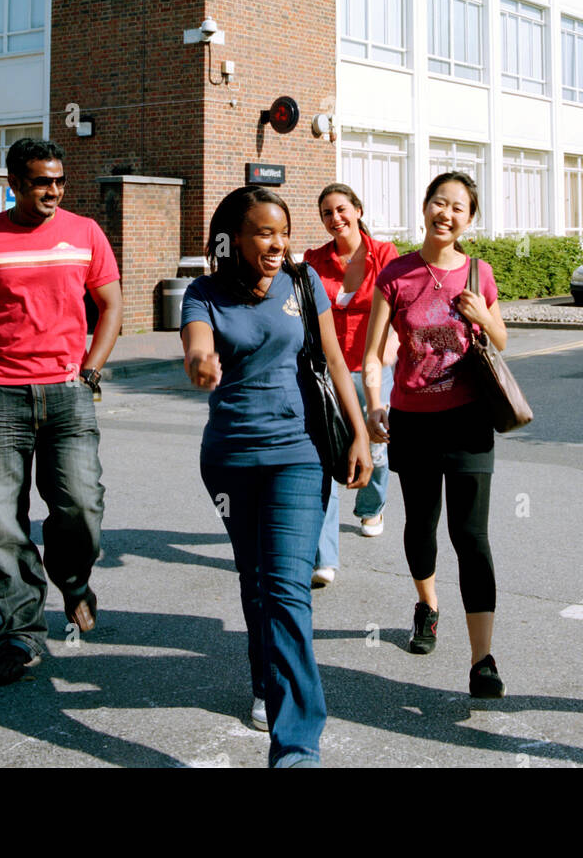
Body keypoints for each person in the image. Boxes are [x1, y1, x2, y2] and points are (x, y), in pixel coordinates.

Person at [182, 186, 372, 767]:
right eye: (264, 232)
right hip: (231, 458)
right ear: (235, 237)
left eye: (283, 231)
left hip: (299, 451)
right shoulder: (204, 293)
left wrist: (360, 430)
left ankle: (295, 746)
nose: (277, 242)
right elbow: (194, 346)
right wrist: (200, 363)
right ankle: (266, 680)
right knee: (255, 579)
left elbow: (334, 358)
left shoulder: (303, 280)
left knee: (288, 588)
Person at [0, 138, 122, 686]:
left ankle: (72, 578)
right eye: (42, 181)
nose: (54, 191)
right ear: (14, 182)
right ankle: (19, 632)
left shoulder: (85, 232)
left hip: (67, 394)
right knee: (3, 522)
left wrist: (90, 370)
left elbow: (110, 305)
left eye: (59, 180)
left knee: (82, 505)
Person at [363, 172, 508, 697]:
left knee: (470, 537)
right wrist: (374, 405)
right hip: (414, 420)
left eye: (459, 208)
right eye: (439, 203)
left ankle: (482, 658)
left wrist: (481, 316)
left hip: (469, 419)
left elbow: (502, 337)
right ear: (424, 207)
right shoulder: (396, 274)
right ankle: (427, 606)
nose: (446, 213)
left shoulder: (479, 273)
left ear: (470, 219)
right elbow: (375, 352)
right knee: (421, 526)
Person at [304, 184, 400, 585]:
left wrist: (387, 352)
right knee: (324, 456)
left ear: (358, 211)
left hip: (373, 365)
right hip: (328, 369)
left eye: (341, 209)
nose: (335, 218)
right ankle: (323, 558)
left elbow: (397, 307)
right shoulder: (313, 260)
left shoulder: (385, 255)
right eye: (327, 213)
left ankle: (371, 506)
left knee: (375, 448)